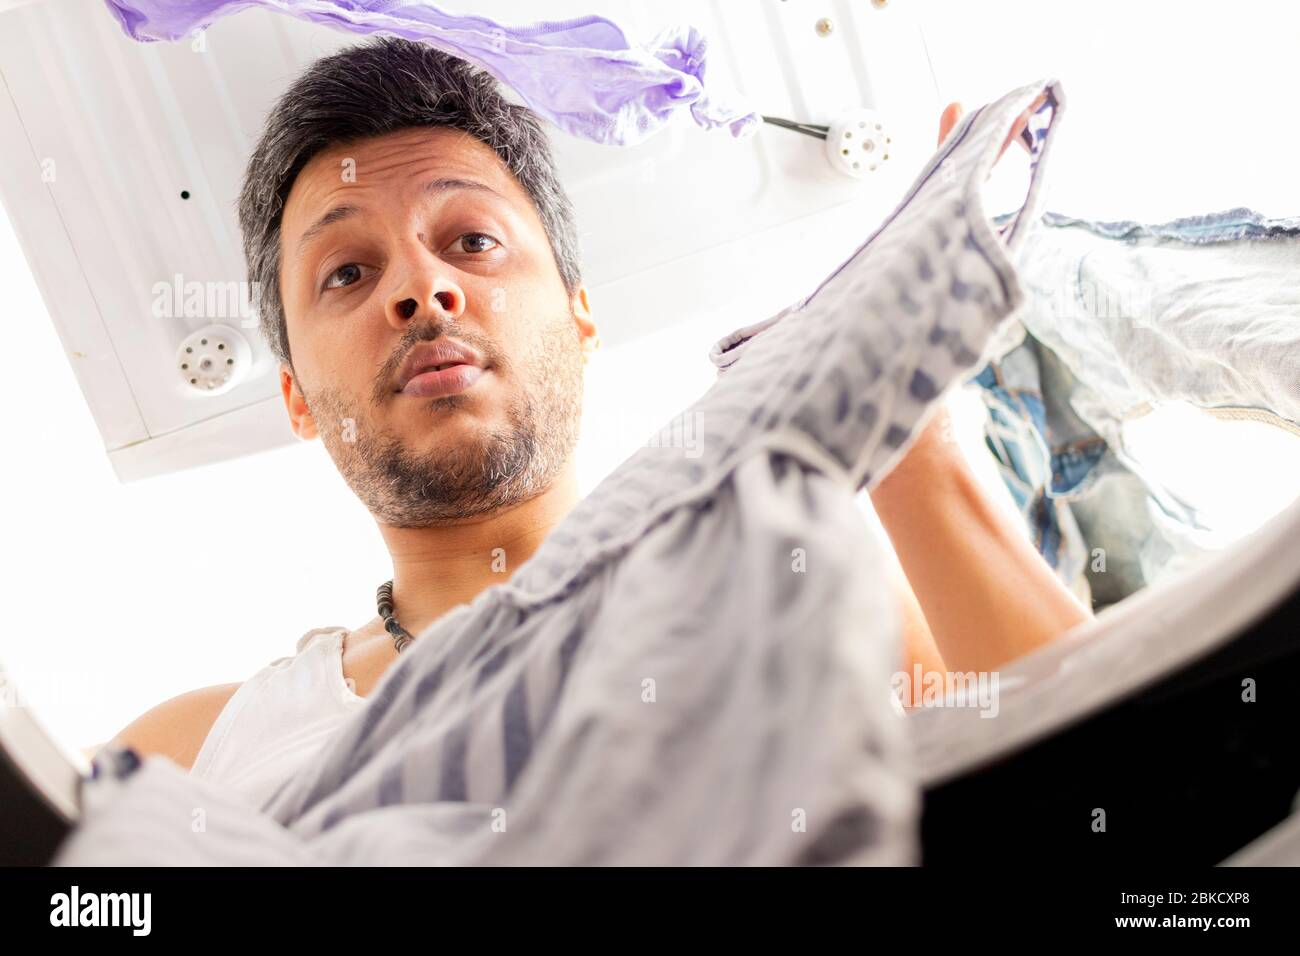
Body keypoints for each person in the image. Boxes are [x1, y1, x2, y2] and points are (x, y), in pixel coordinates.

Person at [101, 39, 1088, 793]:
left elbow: (1123, 806)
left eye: (472, 239)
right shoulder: (187, 758)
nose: (421, 288)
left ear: (580, 319)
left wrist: (917, 437)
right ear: (295, 400)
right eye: (348, 272)